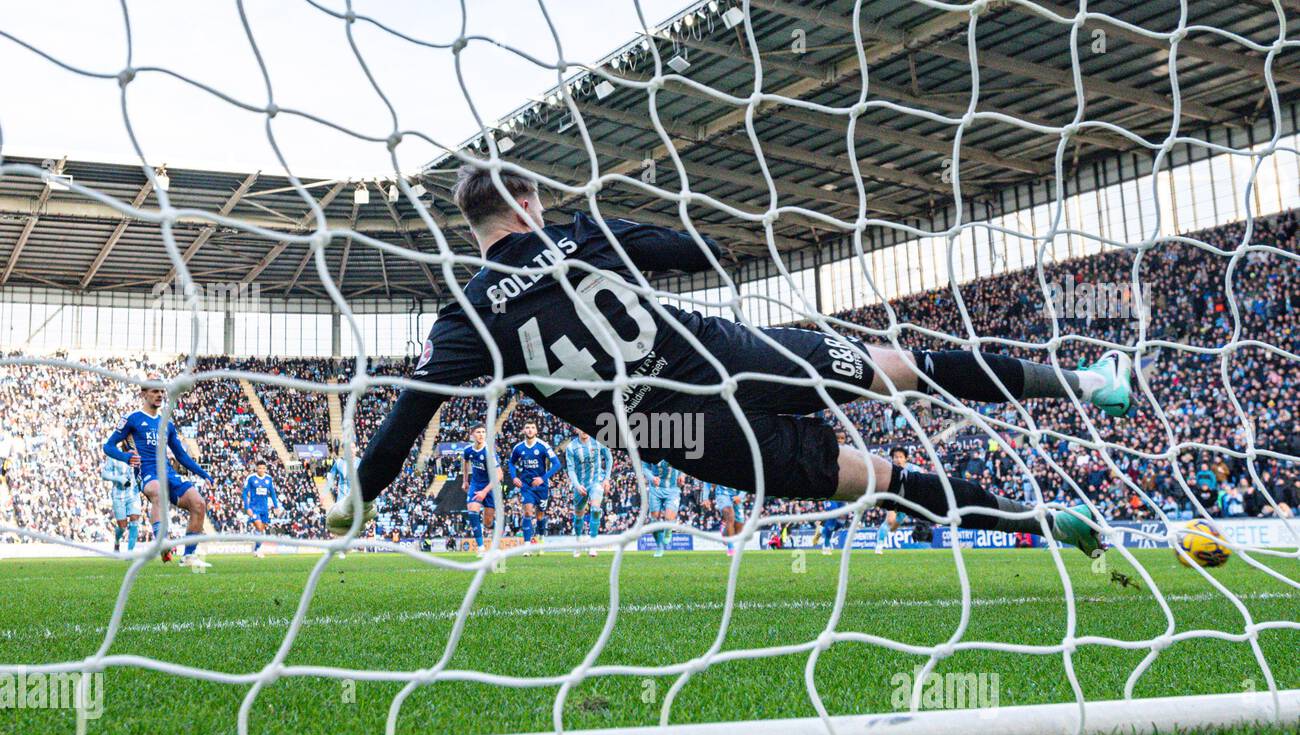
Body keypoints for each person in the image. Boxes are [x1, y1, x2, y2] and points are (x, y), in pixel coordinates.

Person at [329, 165, 1133, 557]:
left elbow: (409, 417)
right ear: (530, 202)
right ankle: (1087, 384)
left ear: (475, 227)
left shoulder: (466, 313)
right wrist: (696, 242)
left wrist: (359, 500)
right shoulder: (583, 234)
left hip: (673, 425)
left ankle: (1038, 526)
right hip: (731, 354)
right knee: (902, 367)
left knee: (875, 478)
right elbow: (697, 253)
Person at [103, 385, 213, 568]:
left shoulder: (166, 424)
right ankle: (162, 542)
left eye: (162, 392)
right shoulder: (132, 418)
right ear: (143, 394)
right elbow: (108, 446)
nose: (160, 395)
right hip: (146, 470)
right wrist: (126, 457)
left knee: (199, 503)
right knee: (157, 491)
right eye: (155, 391)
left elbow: (181, 455)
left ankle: (188, 556)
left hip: (168, 471)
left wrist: (203, 473)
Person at [508, 419, 560, 549]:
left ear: (536, 430)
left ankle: (541, 537)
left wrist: (543, 478)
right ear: (523, 430)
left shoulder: (543, 446)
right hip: (527, 486)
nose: (530, 430)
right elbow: (511, 463)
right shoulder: (518, 448)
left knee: (540, 515)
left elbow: (557, 464)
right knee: (527, 512)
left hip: (541, 487)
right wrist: (514, 477)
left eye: (532, 427)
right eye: (527, 427)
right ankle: (527, 545)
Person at [566, 428, 613, 557]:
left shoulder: (598, 442)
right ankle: (579, 541)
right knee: (579, 515)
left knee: (596, 509)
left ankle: (593, 543)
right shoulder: (571, 447)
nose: (583, 430)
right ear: (576, 430)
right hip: (580, 484)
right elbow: (571, 469)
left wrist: (607, 479)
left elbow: (609, 458)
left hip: (596, 482)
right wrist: (576, 485)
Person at [461, 423, 501, 551]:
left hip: (490, 487)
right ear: (472, 434)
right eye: (478, 432)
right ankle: (481, 548)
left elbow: (499, 475)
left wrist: (484, 491)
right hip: (476, 484)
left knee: (487, 522)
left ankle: (496, 533)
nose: (481, 435)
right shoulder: (468, 450)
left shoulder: (489, 451)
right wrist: (465, 480)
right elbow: (466, 462)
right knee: (472, 510)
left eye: (483, 432)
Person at [100, 453, 140, 553]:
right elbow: (104, 474)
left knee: (134, 520)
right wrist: (119, 479)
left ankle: (130, 552)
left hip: (133, 493)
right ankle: (117, 540)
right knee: (122, 527)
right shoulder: (113, 455)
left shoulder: (136, 452)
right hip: (118, 495)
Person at [643, 460, 682, 557]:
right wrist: (652, 478)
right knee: (654, 521)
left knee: (669, 518)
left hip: (672, 489)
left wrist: (682, 475)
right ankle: (659, 546)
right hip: (655, 489)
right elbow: (644, 467)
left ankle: (668, 529)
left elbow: (684, 462)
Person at [242, 461, 281, 557]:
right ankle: (255, 543)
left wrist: (276, 506)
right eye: (259, 468)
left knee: (261, 530)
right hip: (254, 508)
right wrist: (247, 508)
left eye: (263, 468)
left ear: (265, 469)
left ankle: (256, 549)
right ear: (256, 468)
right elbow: (244, 493)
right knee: (259, 527)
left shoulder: (269, 479)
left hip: (264, 509)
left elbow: (272, 493)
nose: (261, 470)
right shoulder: (251, 478)